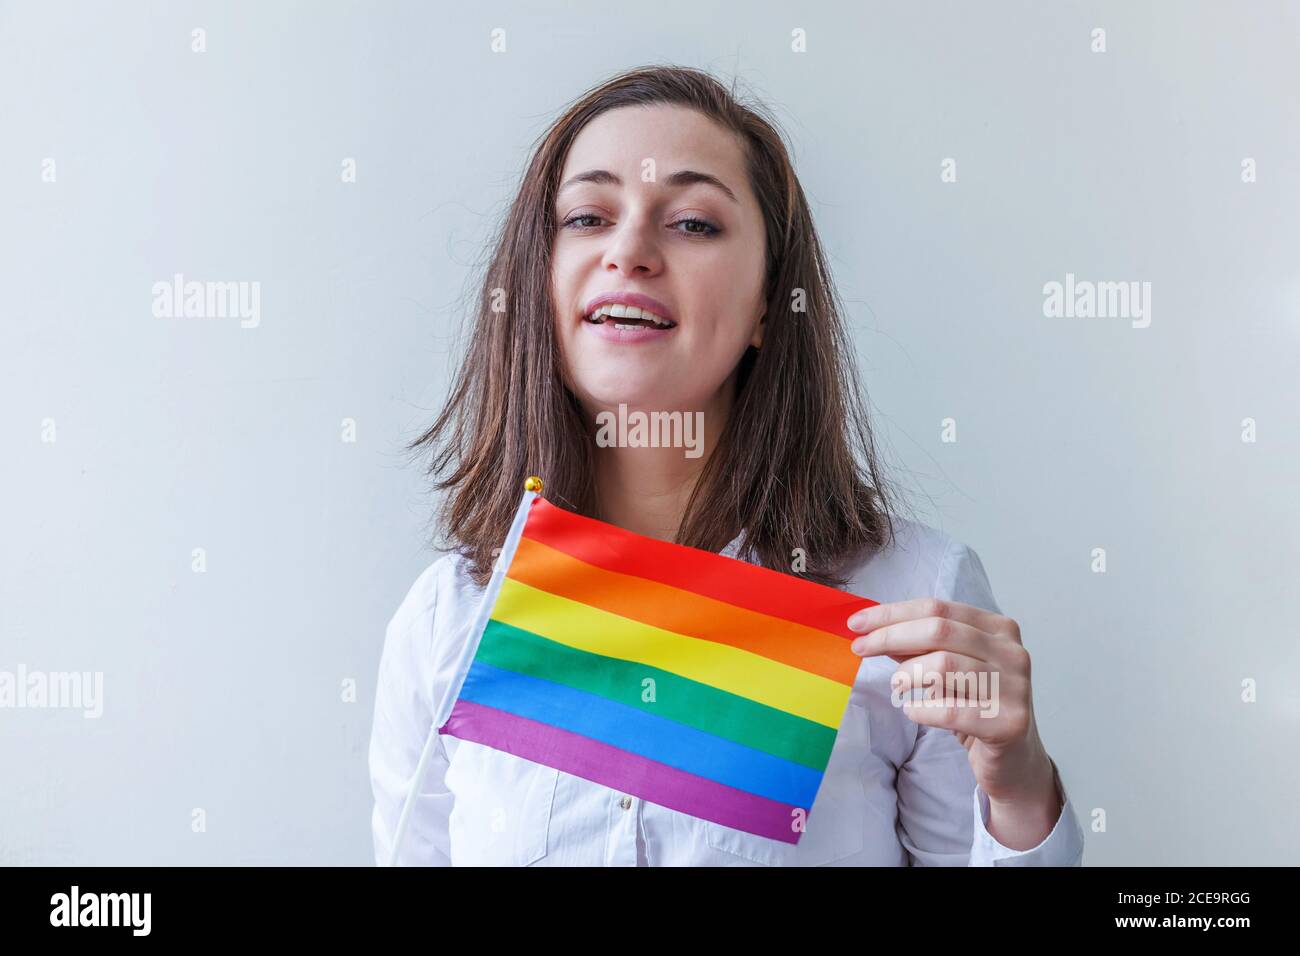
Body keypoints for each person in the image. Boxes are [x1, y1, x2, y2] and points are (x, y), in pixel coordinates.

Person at [369, 65, 1085, 866]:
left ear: (770, 307)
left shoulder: (907, 604)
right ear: (539, 279)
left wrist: (1018, 789)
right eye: (587, 216)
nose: (629, 251)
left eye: (694, 224)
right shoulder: (451, 619)